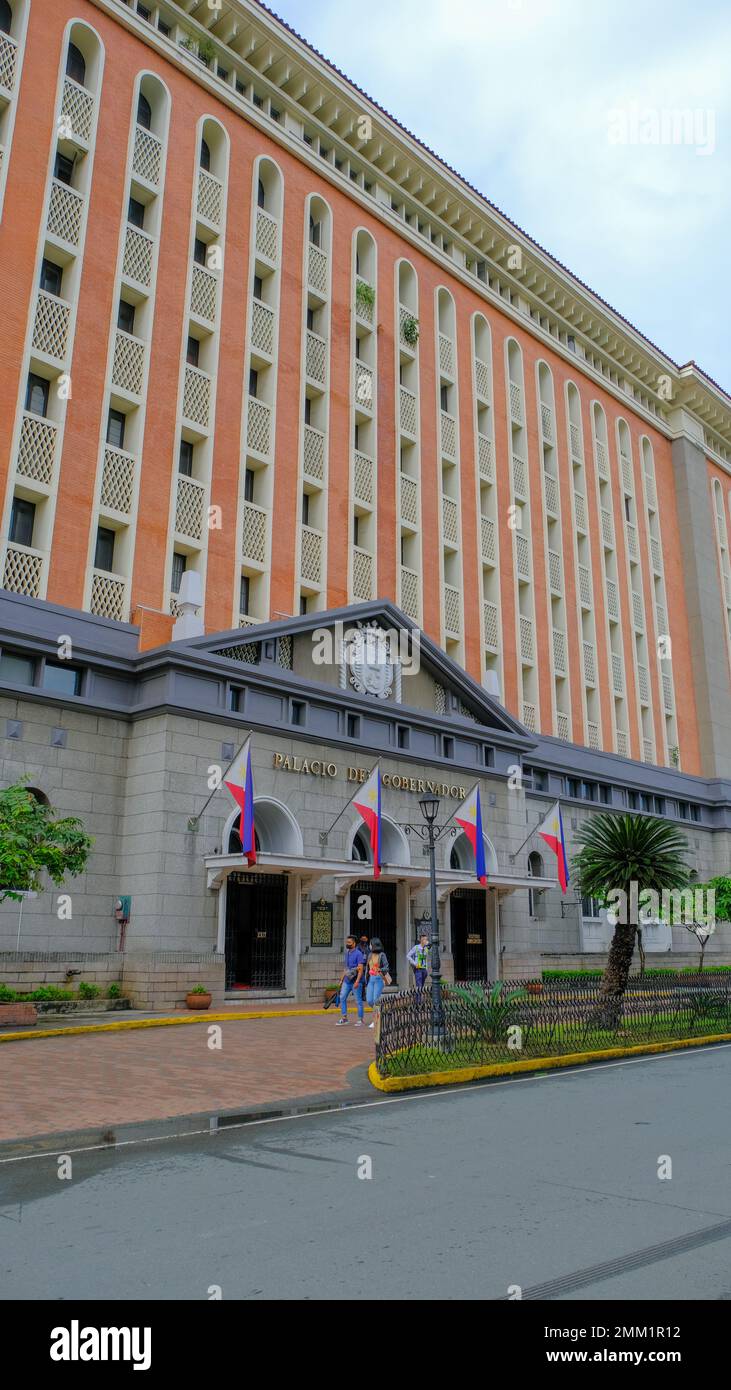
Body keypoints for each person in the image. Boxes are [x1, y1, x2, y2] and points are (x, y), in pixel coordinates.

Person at [336, 935, 366, 1026]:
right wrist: (341, 980)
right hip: (347, 981)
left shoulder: (359, 954)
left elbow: (360, 969)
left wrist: (357, 981)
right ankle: (344, 1018)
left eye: (349, 943)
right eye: (347, 942)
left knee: (358, 1001)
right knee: (342, 998)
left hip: (356, 981)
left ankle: (360, 1020)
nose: (347, 944)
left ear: (354, 943)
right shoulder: (347, 953)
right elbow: (346, 968)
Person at [365, 937, 391, 1028]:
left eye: (370, 944)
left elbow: (387, 967)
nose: (369, 946)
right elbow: (367, 968)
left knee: (376, 1000)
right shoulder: (369, 955)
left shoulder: (382, 955)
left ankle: (376, 1020)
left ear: (374, 945)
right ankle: (381, 1012)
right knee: (369, 1000)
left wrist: (379, 969)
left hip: (379, 979)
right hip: (371, 979)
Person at [407, 931, 430, 995]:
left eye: (426, 939)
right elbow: (408, 956)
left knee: (421, 986)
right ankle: (418, 1001)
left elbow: (426, 957)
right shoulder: (416, 947)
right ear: (421, 940)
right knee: (419, 985)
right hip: (418, 969)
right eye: (424, 939)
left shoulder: (426, 948)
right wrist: (414, 963)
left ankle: (418, 997)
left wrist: (427, 947)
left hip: (424, 969)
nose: (425, 941)